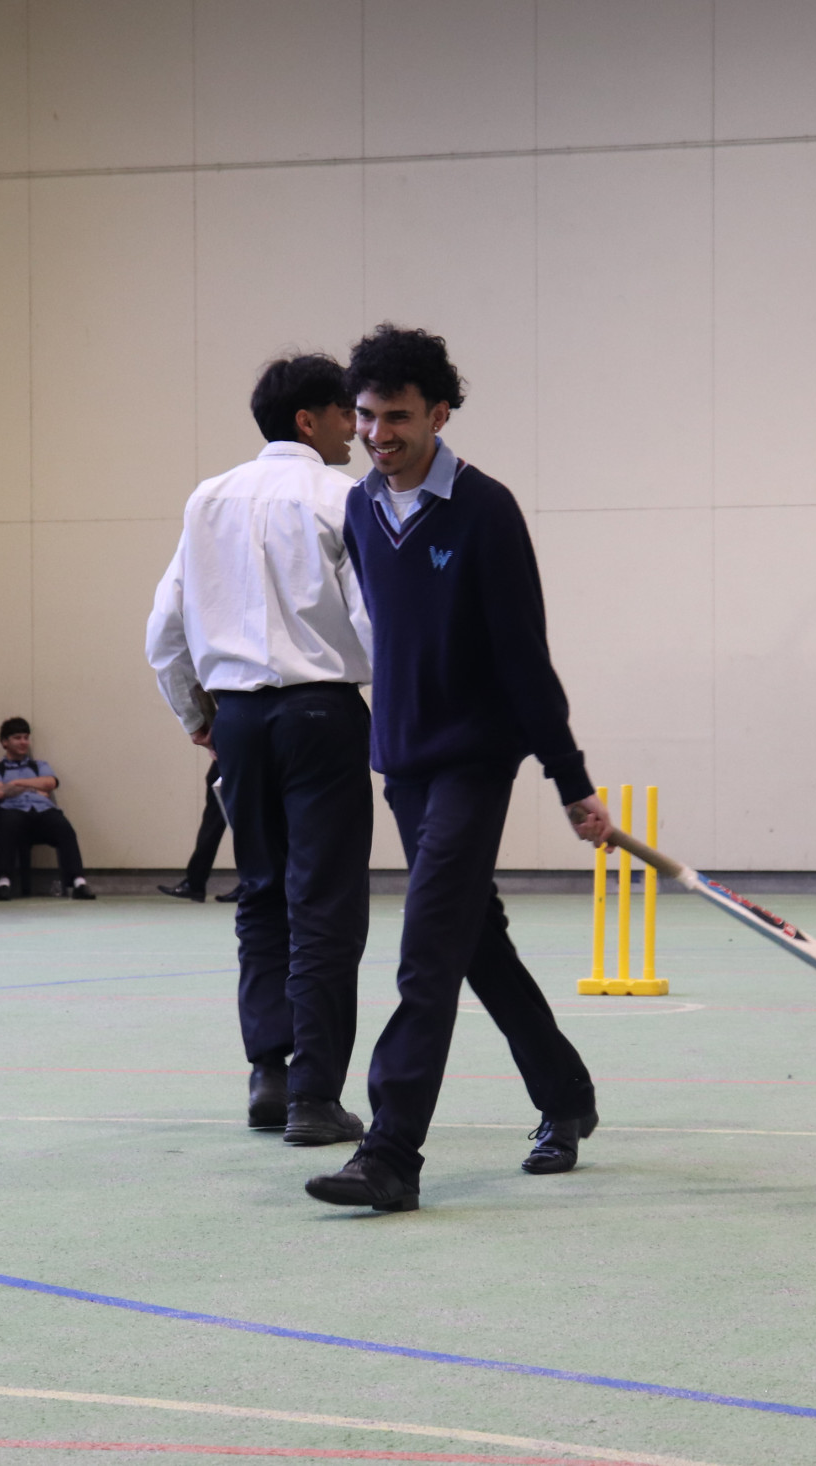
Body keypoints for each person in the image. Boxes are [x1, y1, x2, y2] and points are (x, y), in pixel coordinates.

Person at [305, 325, 613, 1211]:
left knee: (427, 951)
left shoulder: (487, 510)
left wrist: (569, 779)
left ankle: (391, 1152)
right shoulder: (361, 509)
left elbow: (524, 658)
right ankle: (568, 1098)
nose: (377, 434)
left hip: (474, 764)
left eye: (397, 417)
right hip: (400, 764)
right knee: (475, 943)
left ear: (439, 413)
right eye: (365, 416)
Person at [146, 352, 371, 1145]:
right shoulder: (346, 497)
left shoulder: (207, 499)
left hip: (237, 718)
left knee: (262, 893)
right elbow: (373, 618)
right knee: (327, 903)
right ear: (309, 419)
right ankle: (316, 1094)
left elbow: (164, 628)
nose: (359, 426)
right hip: (321, 712)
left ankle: (267, 1075)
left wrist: (195, 714)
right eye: (348, 412)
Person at [0, 717, 93, 901]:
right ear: (5, 742)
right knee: (7, 824)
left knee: (63, 826)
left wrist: (16, 783)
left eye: (26, 737)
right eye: (17, 737)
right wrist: (35, 787)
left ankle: (78, 882)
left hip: (42, 812)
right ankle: (3, 882)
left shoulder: (40, 765)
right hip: (13, 812)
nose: (23, 742)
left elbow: (50, 783)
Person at [156, 759, 241, 903]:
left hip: (239, 753)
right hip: (233, 754)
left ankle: (196, 882)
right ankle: (196, 881)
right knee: (218, 818)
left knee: (226, 820)